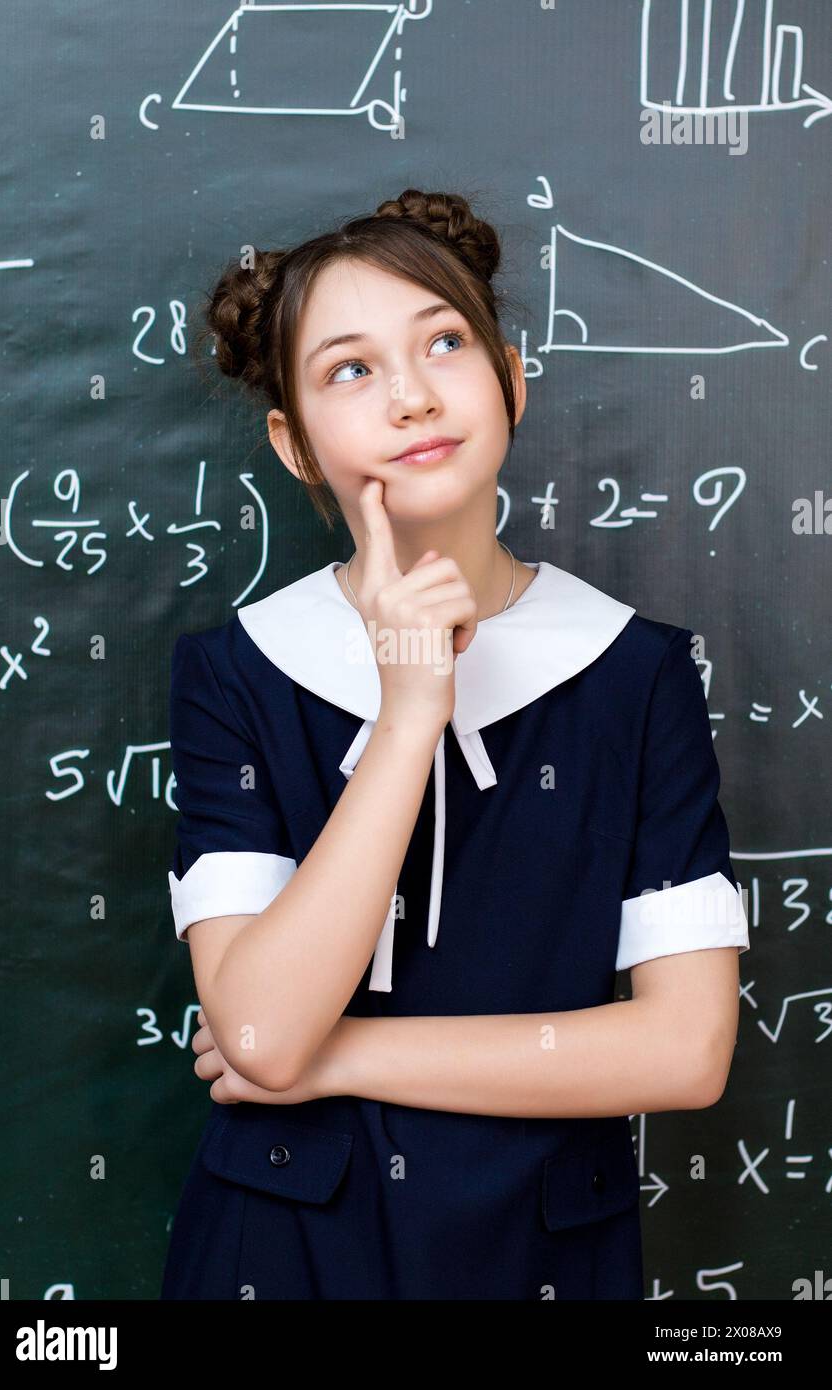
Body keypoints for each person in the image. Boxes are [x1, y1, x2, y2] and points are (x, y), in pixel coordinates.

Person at [160, 188, 750, 1301]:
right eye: (351, 369)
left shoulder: (634, 672)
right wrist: (407, 712)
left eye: (444, 342)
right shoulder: (236, 671)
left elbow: (683, 1051)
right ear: (291, 441)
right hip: (280, 1256)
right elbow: (255, 1026)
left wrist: (334, 1058)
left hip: (543, 1256)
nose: (413, 395)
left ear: (511, 378)